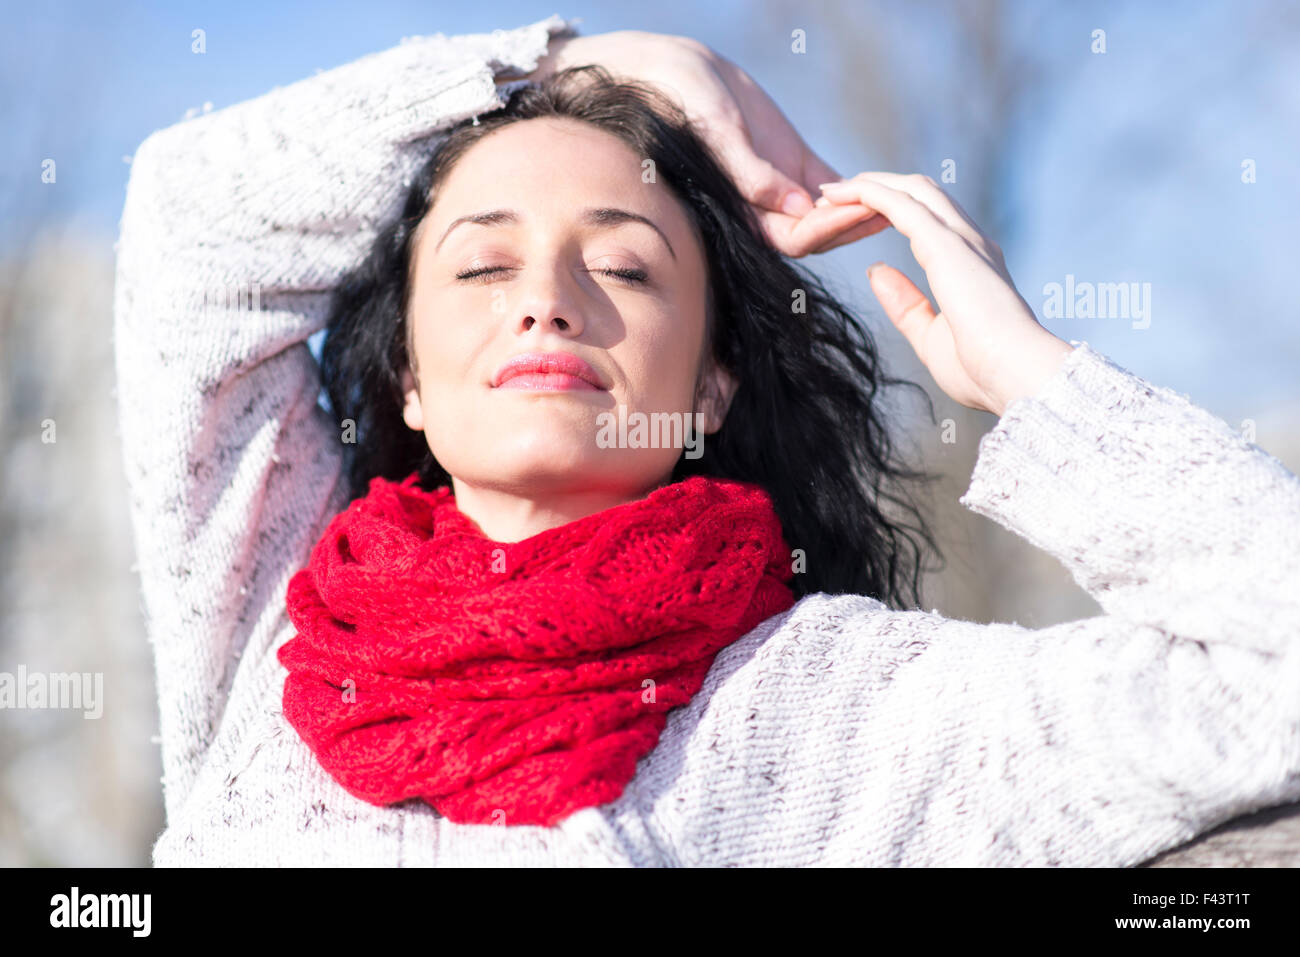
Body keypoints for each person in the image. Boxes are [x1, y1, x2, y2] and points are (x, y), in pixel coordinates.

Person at [113, 15, 1300, 866]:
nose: (547, 299)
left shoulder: (857, 715)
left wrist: (1030, 379)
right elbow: (193, 218)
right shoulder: (278, 627)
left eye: (624, 263)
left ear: (714, 382)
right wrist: (580, 58)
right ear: (410, 379)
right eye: (481, 262)